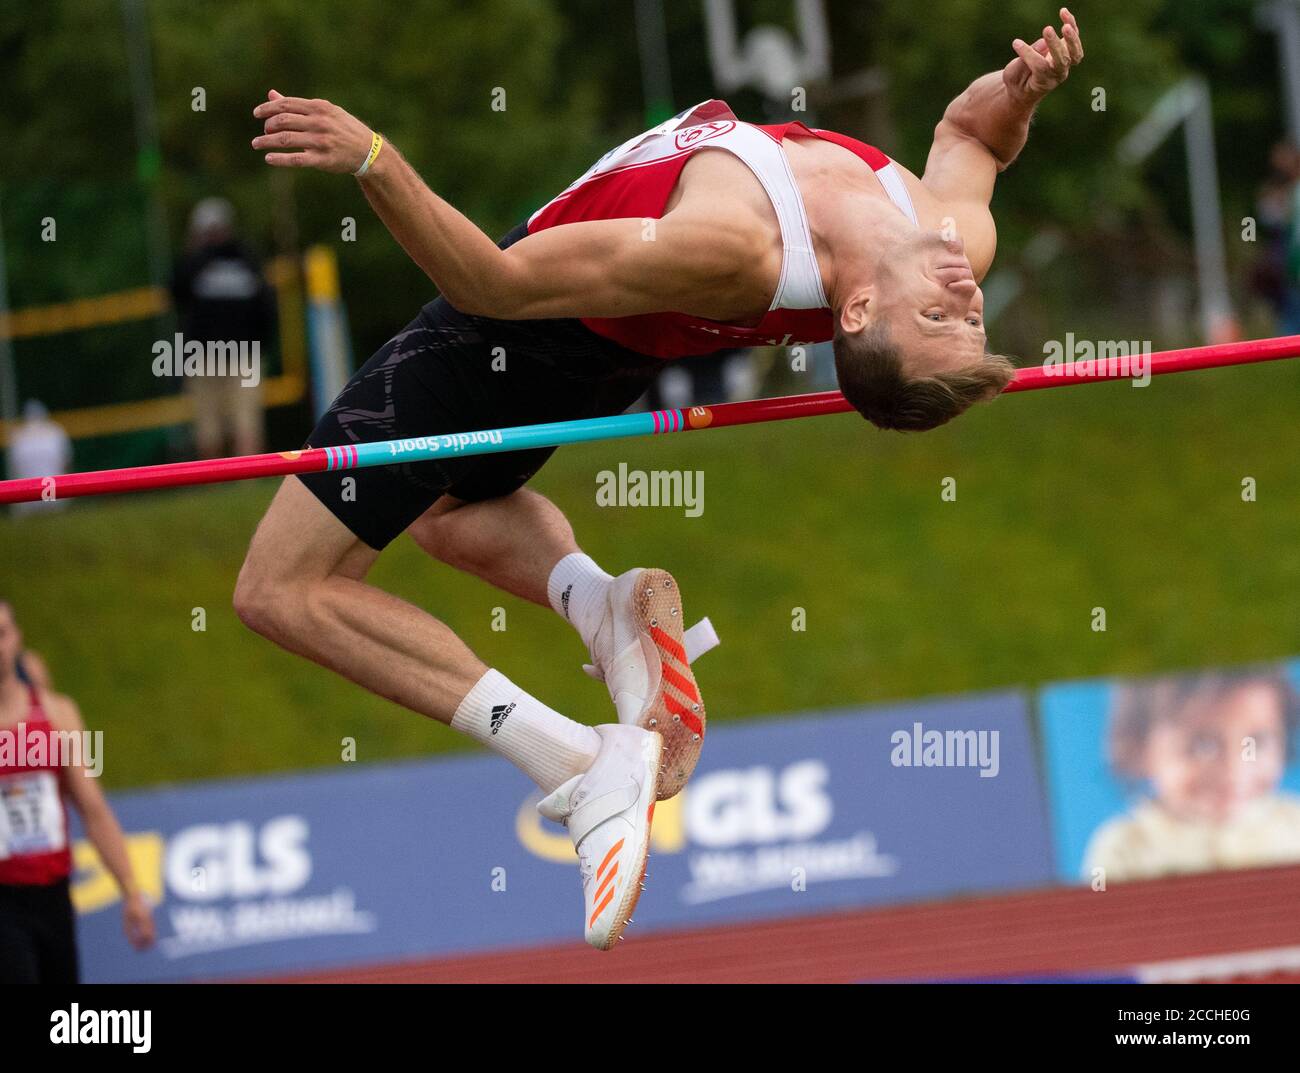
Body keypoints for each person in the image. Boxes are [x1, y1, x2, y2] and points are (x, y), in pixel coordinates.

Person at [235, 10, 1084, 948]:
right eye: (969, 319)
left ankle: (573, 758)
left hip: (513, 336)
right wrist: (1021, 93)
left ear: (862, 308)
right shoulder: (950, 234)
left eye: (941, 314)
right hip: (602, 341)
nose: (968, 296)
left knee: (281, 589)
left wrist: (374, 160)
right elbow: (968, 139)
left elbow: (495, 287)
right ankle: (608, 606)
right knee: (444, 512)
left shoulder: (737, 245)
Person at [0, 601, 155, 982]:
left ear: (17, 638)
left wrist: (131, 891)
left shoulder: (57, 714)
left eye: (1, 633)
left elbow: (93, 808)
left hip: (53, 895)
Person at [1084, 667, 1300, 884]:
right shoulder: (1123, 851)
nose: (1235, 770)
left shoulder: (1294, 823)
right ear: (1139, 749)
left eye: (1257, 742)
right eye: (1203, 745)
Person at [170, 197, 276, 458]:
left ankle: (247, 484)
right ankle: (215, 484)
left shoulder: (246, 259)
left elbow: (266, 306)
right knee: (208, 428)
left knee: (246, 422)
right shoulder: (193, 264)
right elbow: (175, 293)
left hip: (243, 355)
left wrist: (261, 345)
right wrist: (194, 255)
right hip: (204, 355)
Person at [6, 400, 72, 517]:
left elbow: (14, 468)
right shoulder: (55, 431)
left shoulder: (18, 435)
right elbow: (65, 462)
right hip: (53, 495)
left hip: (27, 497)